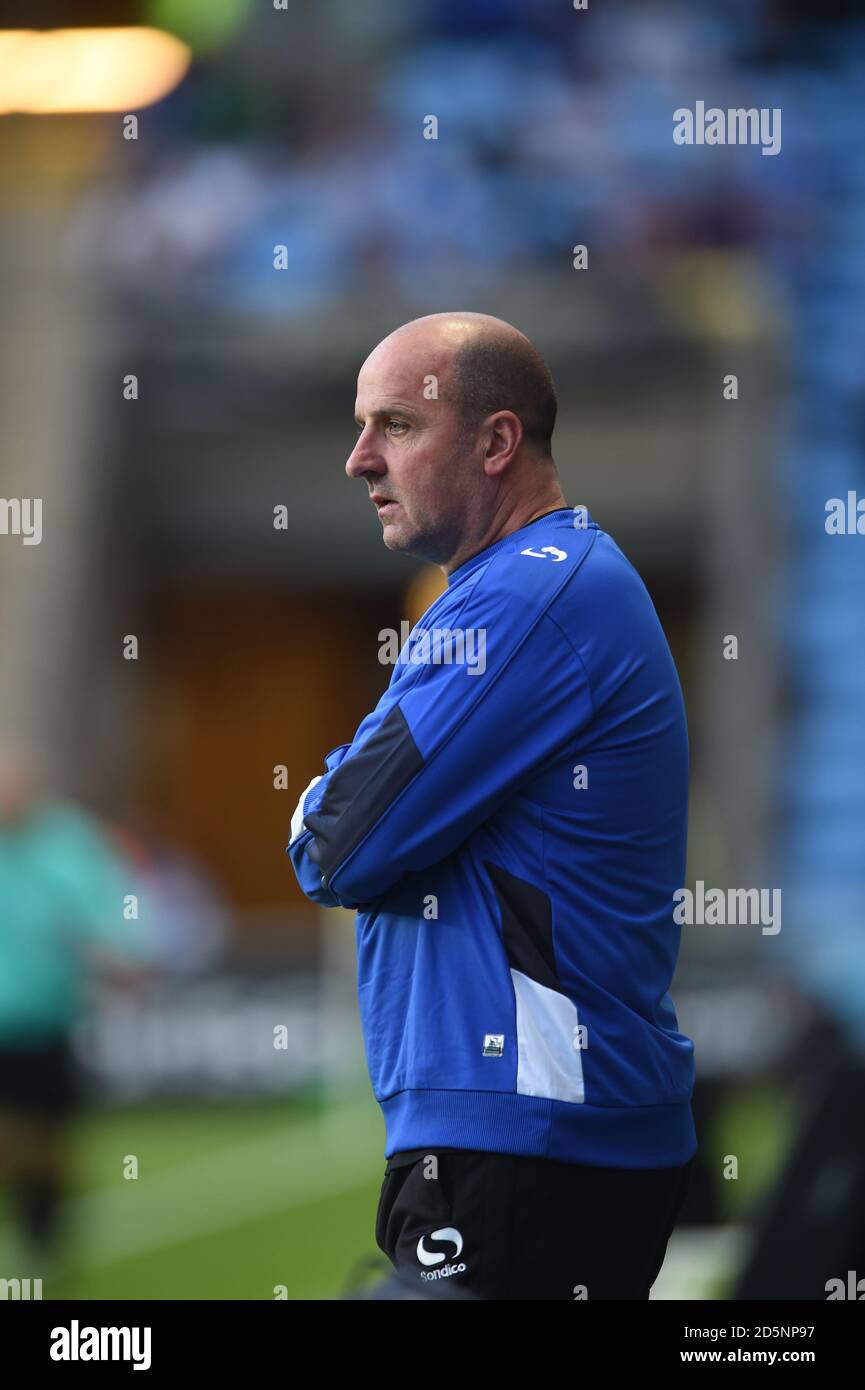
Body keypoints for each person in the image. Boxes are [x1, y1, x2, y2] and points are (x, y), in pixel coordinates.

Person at [286, 312, 696, 1300]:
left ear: (496, 440)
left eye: (395, 424)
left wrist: (320, 803)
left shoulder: (519, 603)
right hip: (535, 1135)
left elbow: (336, 842)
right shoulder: (523, 588)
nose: (358, 460)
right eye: (359, 426)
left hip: (526, 1139)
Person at [0, 747, 153, 1277]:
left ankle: (44, 1254)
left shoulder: (70, 844)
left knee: (45, 1150)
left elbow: (115, 924)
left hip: (42, 1029)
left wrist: (114, 955)